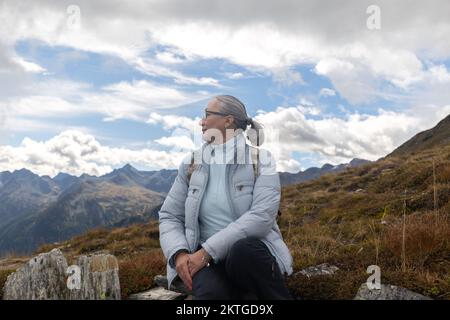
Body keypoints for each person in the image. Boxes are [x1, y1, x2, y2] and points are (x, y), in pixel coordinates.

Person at [159, 95, 293, 300]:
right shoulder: (191, 163)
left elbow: (261, 217)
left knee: (242, 250)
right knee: (211, 294)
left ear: (228, 120)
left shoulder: (261, 160)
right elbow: (169, 215)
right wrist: (178, 253)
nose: (201, 121)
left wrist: (206, 253)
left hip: (246, 256)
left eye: (207, 114)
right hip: (204, 261)